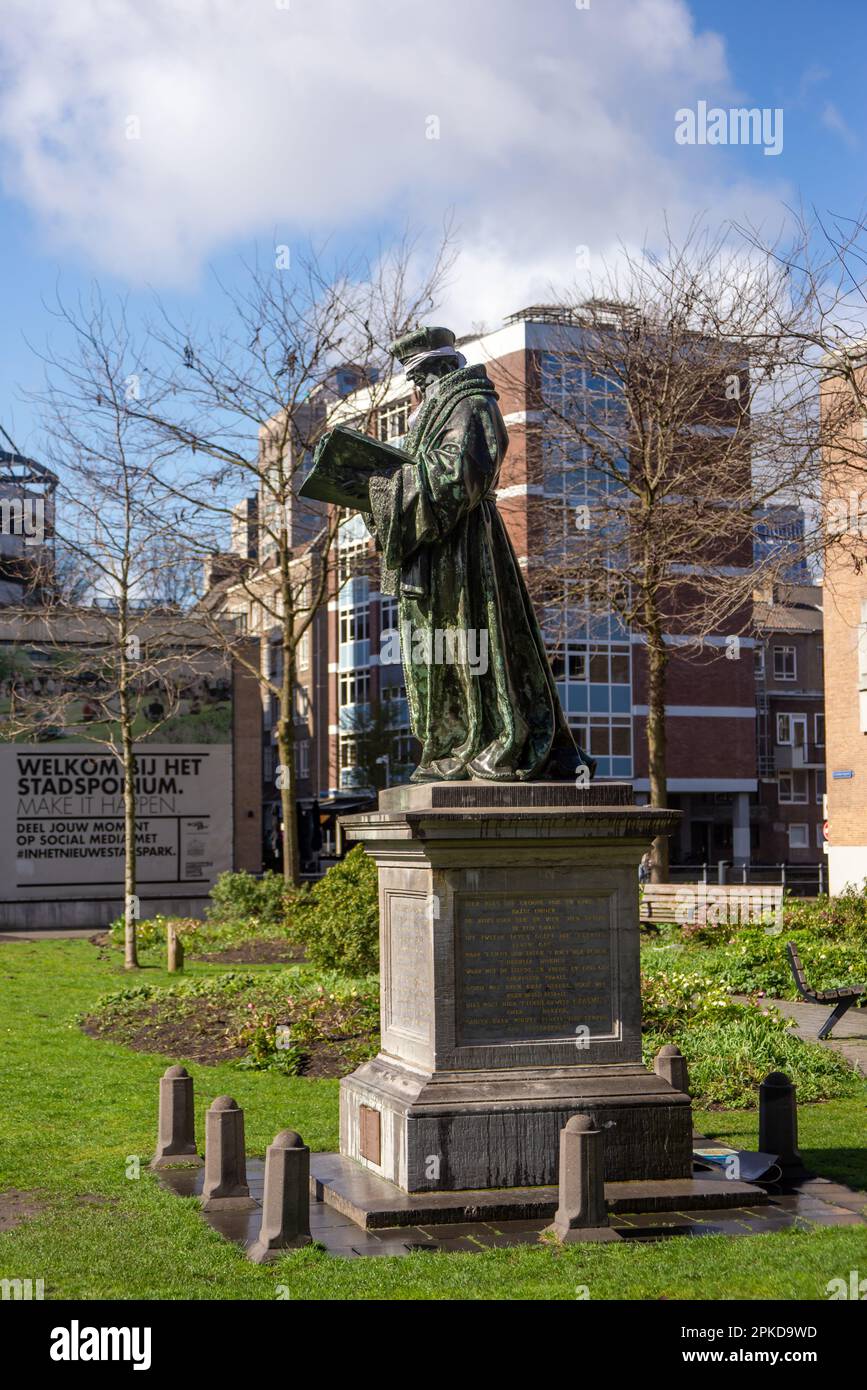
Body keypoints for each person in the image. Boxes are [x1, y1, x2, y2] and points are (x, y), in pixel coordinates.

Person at [362, 324, 594, 784]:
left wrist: (387, 486)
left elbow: (458, 477)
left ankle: (490, 738)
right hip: (431, 555)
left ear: (433, 373)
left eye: (418, 380)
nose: (414, 391)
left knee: (473, 643)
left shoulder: (470, 404)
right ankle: (448, 744)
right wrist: (375, 491)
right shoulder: (438, 411)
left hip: (465, 552)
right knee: (436, 650)